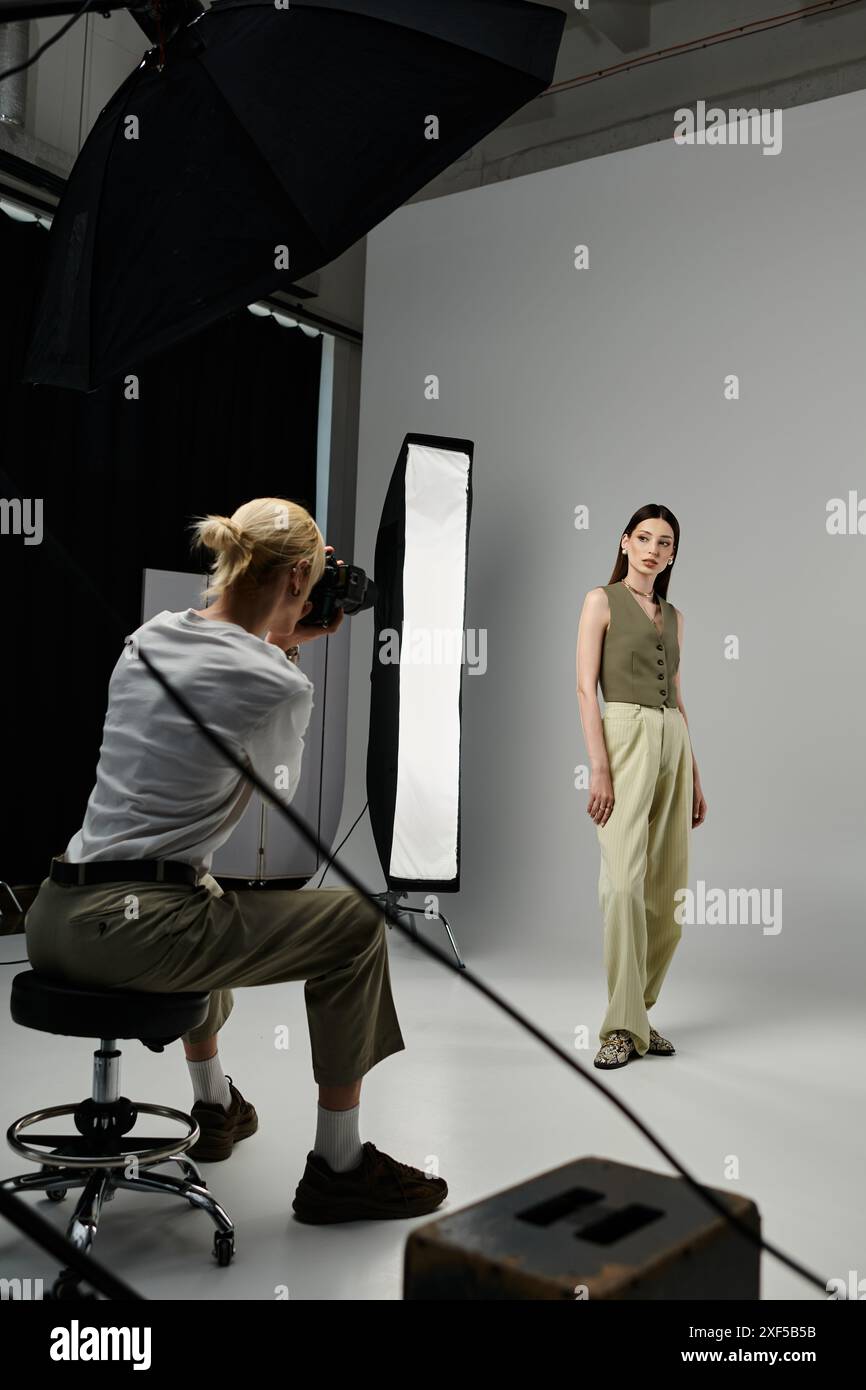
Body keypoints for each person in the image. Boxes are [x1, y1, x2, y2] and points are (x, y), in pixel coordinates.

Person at [25, 496, 447, 1223]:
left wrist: (272, 640)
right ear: (295, 583)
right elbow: (275, 792)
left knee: (202, 888)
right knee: (352, 923)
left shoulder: (147, 638)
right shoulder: (277, 680)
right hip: (135, 933)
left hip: (53, 913)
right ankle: (340, 1167)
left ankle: (214, 1106)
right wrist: (285, 656)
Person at [575, 504, 707, 1070]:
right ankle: (621, 1026)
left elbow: (676, 692)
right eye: (644, 537)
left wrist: (696, 772)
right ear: (625, 542)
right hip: (623, 734)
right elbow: (585, 689)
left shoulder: (675, 617)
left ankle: (640, 1016)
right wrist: (598, 766)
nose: (654, 548)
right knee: (623, 886)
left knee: (669, 893)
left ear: (672, 554)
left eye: (665, 542)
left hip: (672, 739)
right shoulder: (600, 601)